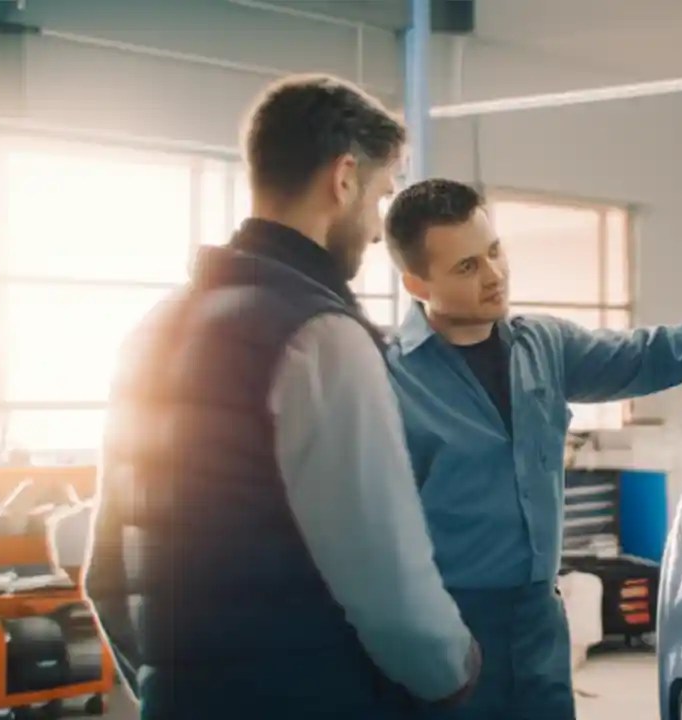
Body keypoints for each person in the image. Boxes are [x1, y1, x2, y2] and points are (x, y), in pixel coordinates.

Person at [83, 76, 480, 720]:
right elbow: (389, 583)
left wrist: (171, 685)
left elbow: (105, 571)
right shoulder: (318, 337)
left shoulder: (152, 330)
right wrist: (455, 672)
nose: (379, 231)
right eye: (381, 195)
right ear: (344, 178)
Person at [381, 178, 682, 720]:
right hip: (446, 621)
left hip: (537, 619)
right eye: (466, 267)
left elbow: (651, 355)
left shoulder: (543, 346)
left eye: (494, 251)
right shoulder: (388, 378)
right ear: (416, 282)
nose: (494, 276)